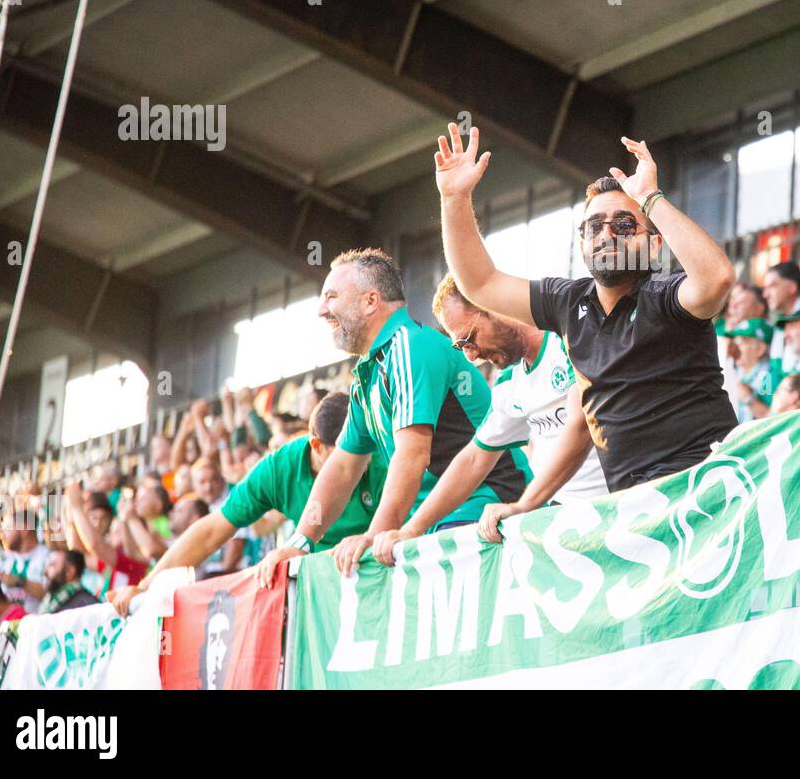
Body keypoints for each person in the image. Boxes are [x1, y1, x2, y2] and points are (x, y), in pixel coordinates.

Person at [436, 125, 736, 542]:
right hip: (635, 516)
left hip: (708, 499)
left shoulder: (667, 296)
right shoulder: (567, 303)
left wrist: (651, 197)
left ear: (653, 244)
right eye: (593, 226)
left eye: (624, 225)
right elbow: (480, 283)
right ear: (582, 246)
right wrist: (454, 199)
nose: (606, 234)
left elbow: (717, 277)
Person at [255, 246, 516, 580]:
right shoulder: (369, 372)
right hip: (436, 514)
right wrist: (302, 541)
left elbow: (412, 453)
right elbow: (344, 466)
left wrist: (373, 532)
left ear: (370, 301)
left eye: (331, 296)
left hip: (486, 497)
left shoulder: (410, 346)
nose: (322, 310)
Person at [376, 274, 605, 544]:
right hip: (562, 519)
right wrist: (411, 531)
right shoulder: (510, 382)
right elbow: (473, 460)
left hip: (616, 505)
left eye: (469, 338)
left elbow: (581, 429)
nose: (471, 356)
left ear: (497, 307)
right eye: (461, 347)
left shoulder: (566, 340)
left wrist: (524, 505)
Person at [113, 394, 373, 612]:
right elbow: (212, 531)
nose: (357, 461)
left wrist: (371, 538)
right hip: (321, 594)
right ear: (315, 445)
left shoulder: (380, 452)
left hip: (377, 577)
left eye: (361, 450)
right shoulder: (278, 469)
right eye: (342, 455)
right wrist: (147, 585)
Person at [62, 482, 148, 595]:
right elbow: (78, 552)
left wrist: (76, 507)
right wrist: (71, 511)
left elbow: (96, 545)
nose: (112, 532)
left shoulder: (135, 562)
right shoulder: (111, 560)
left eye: (118, 531)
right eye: (112, 529)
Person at [724, 317, 781, 421]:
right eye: (734, 342)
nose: (734, 348)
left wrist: (748, 399)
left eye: (740, 342)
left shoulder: (768, 377)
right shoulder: (734, 372)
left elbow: (772, 420)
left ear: (760, 349)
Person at [0, 516, 48, 615]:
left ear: (24, 529)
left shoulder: (47, 556)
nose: (2, 534)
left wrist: (19, 581)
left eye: (8, 528)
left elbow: (53, 593)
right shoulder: (3, 563)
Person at [39, 550, 100, 614]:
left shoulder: (86, 606)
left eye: (52, 565)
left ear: (69, 572)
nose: (45, 572)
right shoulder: (51, 602)